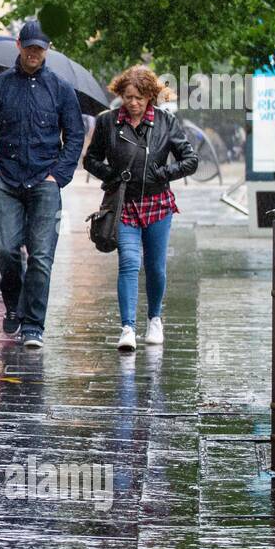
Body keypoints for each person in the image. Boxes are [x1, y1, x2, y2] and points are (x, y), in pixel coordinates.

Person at [0, 19, 85, 349]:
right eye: (30, 47)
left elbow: (75, 135)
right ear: (19, 46)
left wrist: (58, 176)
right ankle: (14, 303)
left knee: (41, 257)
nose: (34, 53)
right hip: (5, 179)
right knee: (6, 250)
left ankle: (33, 324)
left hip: (44, 181)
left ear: (46, 50)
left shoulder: (61, 89)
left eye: (40, 48)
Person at [82, 65, 197, 351]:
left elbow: (190, 159)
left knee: (155, 267)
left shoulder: (165, 122)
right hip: (123, 205)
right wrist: (110, 174)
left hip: (157, 204)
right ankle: (128, 328)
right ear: (120, 94)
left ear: (151, 97)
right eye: (128, 96)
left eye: (140, 97)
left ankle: (155, 319)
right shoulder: (108, 122)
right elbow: (91, 159)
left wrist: (164, 173)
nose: (133, 103)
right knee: (129, 264)